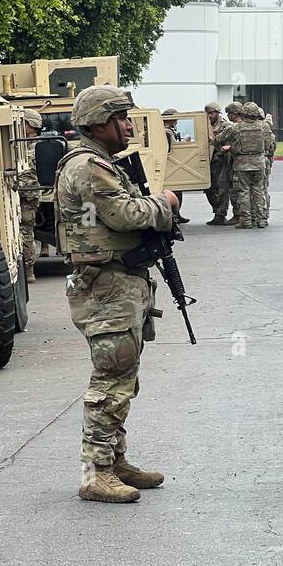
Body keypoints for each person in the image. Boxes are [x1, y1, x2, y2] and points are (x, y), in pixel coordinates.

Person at [55, 85, 179, 503]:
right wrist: (165, 204)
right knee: (110, 379)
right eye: (121, 118)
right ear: (98, 123)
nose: (129, 125)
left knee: (123, 377)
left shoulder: (99, 162)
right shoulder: (89, 166)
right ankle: (96, 472)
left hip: (117, 282)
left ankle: (114, 460)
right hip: (106, 286)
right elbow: (124, 214)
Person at [217, 101, 267, 229]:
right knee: (259, 191)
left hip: (241, 165)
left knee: (243, 193)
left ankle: (246, 221)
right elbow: (267, 145)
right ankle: (261, 220)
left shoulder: (236, 128)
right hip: (259, 164)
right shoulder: (264, 127)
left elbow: (219, 139)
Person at [15, 109, 44, 283]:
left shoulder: (37, 148)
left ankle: (28, 269)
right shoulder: (21, 145)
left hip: (28, 195)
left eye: (24, 123)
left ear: (32, 126)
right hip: (18, 193)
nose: (21, 126)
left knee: (25, 231)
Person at [204, 102, 233, 225]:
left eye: (211, 113)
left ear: (217, 113)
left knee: (221, 187)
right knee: (209, 188)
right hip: (208, 160)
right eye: (208, 113)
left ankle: (220, 214)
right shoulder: (204, 125)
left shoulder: (225, 126)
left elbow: (232, 142)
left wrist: (224, 148)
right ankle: (216, 210)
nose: (209, 115)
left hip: (222, 160)